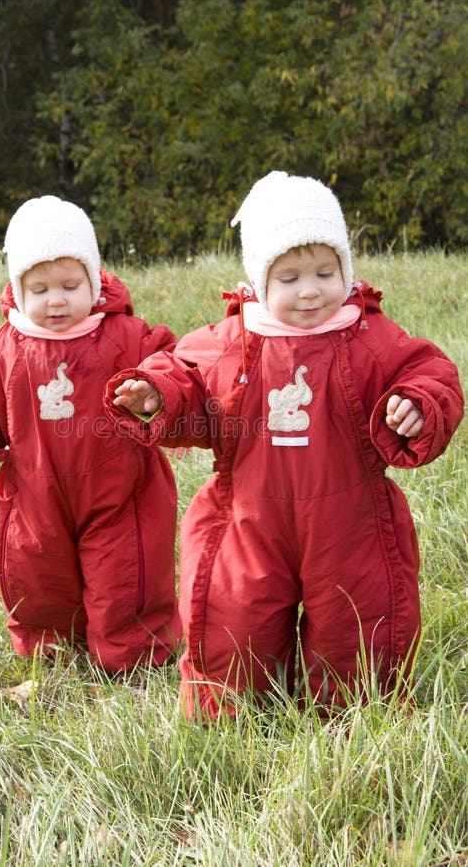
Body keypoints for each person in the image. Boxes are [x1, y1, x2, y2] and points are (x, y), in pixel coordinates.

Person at [105, 170, 464, 719]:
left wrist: (416, 404)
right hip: (248, 519)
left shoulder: (368, 337)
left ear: (346, 270)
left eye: (326, 271)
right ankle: (230, 713)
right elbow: (186, 375)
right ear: (257, 280)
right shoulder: (234, 343)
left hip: (352, 521)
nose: (310, 289)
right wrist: (157, 396)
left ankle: (357, 718)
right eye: (290, 276)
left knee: (360, 623)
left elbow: (430, 370)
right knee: (231, 618)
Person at [0, 195, 181, 672]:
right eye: (41, 288)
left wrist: (158, 390)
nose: (56, 300)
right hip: (34, 494)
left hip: (119, 493)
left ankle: (135, 660)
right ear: (17, 289)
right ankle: (53, 657)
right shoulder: (3, 350)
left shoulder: (127, 336)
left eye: (71, 285)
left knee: (127, 576)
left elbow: (172, 365)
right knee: (36, 579)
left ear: (94, 281)